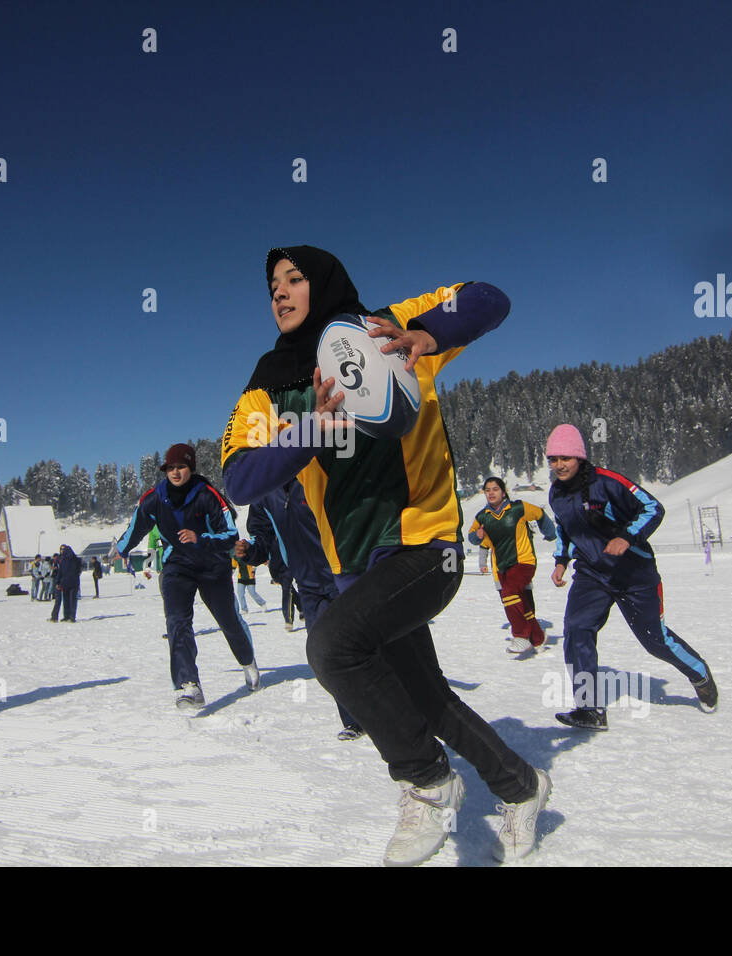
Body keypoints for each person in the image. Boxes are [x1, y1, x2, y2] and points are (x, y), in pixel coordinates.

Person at [221, 245, 548, 866]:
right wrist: (311, 429)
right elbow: (240, 479)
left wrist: (424, 334)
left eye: (295, 280)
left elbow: (489, 298)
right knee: (425, 697)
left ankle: (425, 783)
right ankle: (522, 788)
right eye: (272, 286)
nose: (280, 293)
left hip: (426, 543)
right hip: (352, 567)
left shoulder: (384, 332)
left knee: (331, 648)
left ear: (326, 283)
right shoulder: (268, 382)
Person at [546, 424, 717, 730]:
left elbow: (653, 508)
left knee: (655, 641)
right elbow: (563, 528)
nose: (559, 465)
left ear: (580, 458)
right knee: (577, 629)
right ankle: (590, 708)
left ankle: (699, 672)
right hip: (591, 573)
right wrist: (560, 561)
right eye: (553, 459)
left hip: (633, 574)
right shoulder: (556, 493)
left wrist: (626, 537)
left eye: (565, 458)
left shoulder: (608, 482)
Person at [115, 443, 259, 707]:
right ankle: (188, 685)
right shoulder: (155, 497)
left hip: (212, 565)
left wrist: (200, 538)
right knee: (177, 622)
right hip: (177, 566)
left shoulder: (208, 495)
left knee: (228, 620)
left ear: (191, 468)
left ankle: (247, 660)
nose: (176, 472)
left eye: (181, 467)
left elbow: (230, 535)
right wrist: (122, 548)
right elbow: (138, 524)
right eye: (171, 467)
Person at [235, 495, 362, 739]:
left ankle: (400, 709)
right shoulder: (265, 492)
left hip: (344, 572)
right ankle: (355, 719)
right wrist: (250, 550)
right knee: (323, 654)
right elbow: (262, 537)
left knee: (367, 645)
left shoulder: (313, 468)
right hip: (308, 584)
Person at [467, 476, 556, 654]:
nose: (491, 493)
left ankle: (521, 636)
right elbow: (471, 537)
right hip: (501, 566)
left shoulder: (518, 508)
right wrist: (477, 535)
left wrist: (550, 533)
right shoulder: (482, 517)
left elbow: (540, 514)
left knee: (510, 593)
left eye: (495, 489)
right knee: (519, 600)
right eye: (487, 490)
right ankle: (538, 638)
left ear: (503, 491)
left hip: (524, 560)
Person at [56, 544, 82, 622]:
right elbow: (79, 570)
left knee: (66, 600)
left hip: (65, 583)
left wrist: (58, 582)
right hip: (74, 583)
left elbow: (60, 572)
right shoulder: (77, 560)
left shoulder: (63, 561)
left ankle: (67, 616)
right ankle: (72, 616)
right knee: (73, 600)